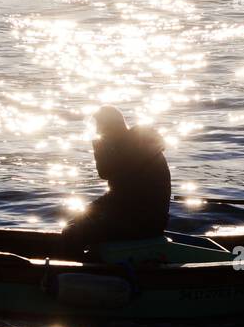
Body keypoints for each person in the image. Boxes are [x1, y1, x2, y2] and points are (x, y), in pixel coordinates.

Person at [60, 105, 172, 255]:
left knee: (72, 233)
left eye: (99, 126)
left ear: (109, 127)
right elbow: (119, 193)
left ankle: (77, 272)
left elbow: (105, 174)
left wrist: (99, 145)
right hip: (148, 219)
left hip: (141, 223)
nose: (97, 131)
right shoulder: (135, 144)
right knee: (78, 222)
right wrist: (90, 211)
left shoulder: (130, 149)